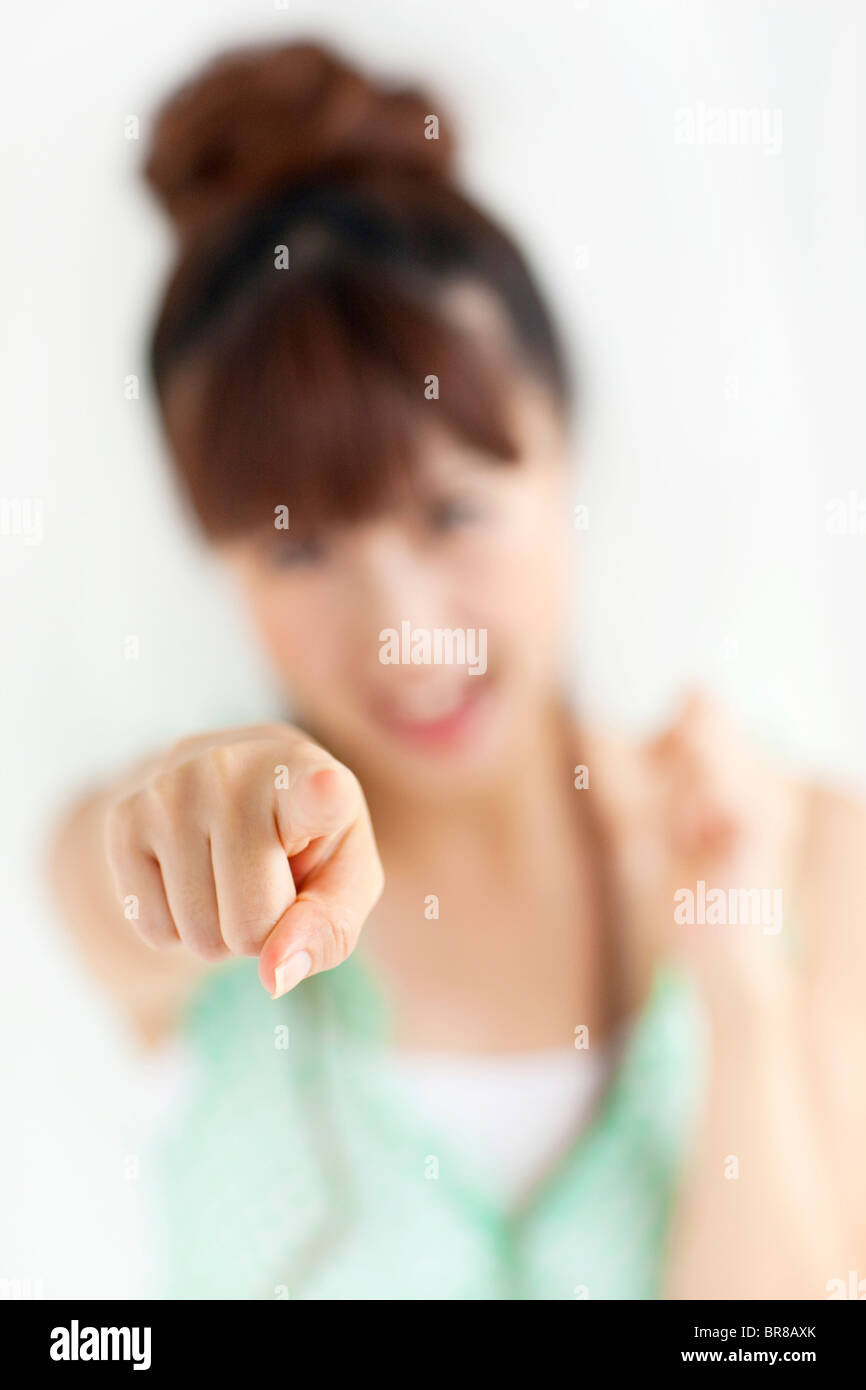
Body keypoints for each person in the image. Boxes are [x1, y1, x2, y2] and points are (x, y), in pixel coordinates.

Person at [50, 39, 866, 1300]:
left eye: (450, 515)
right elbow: (127, 869)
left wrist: (738, 985)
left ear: (559, 458)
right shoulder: (174, 870)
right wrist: (210, 810)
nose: (399, 628)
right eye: (299, 549)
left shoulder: (808, 851)